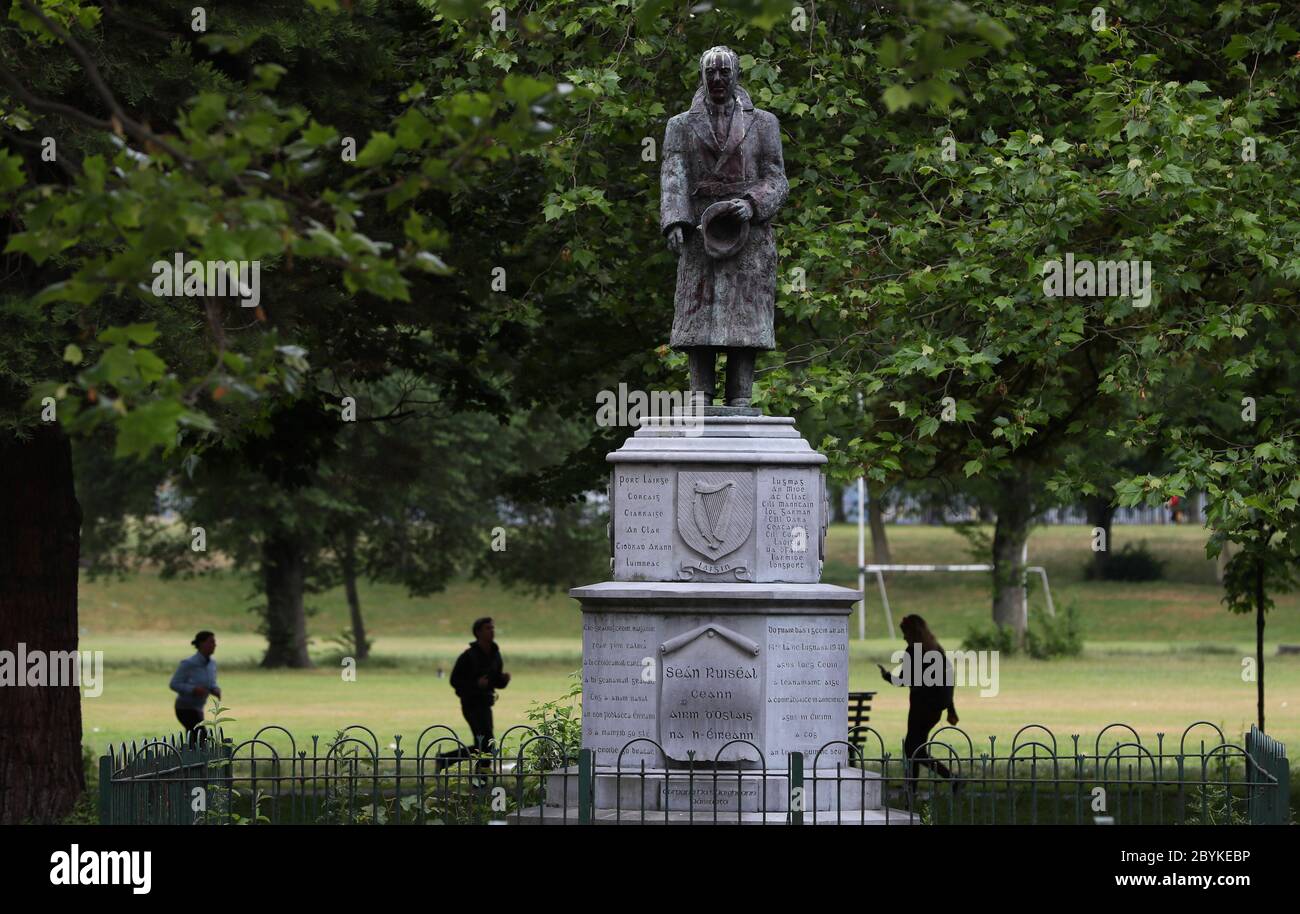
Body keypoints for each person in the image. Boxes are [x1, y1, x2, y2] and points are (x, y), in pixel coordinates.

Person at [878, 614, 958, 790]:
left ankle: (941, 781)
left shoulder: (913, 651)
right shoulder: (936, 649)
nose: (904, 637)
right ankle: (944, 780)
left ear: (912, 633)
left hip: (920, 707)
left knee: (912, 749)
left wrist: (886, 676)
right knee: (916, 749)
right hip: (935, 710)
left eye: (905, 633)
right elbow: (948, 681)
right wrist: (951, 709)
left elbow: (903, 680)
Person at [437, 617, 511, 772]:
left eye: (492, 628)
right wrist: (476, 684)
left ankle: (447, 759)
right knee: (486, 745)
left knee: (484, 745)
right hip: (471, 704)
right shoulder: (468, 656)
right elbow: (455, 680)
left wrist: (503, 680)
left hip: (486, 703)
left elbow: (495, 681)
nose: (492, 631)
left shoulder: (495, 654)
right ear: (478, 632)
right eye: (487, 628)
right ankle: (480, 780)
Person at [170, 631, 220, 746]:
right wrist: (193, 689)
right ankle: (197, 762)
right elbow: (174, 683)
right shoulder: (188, 663)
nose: (214, 645)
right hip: (185, 708)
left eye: (214, 642)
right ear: (202, 644)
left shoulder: (212, 663)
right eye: (211, 642)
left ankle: (191, 761)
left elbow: (211, 682)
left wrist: (215, 689)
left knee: (195, 738)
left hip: (198, 708)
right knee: (200, 737)